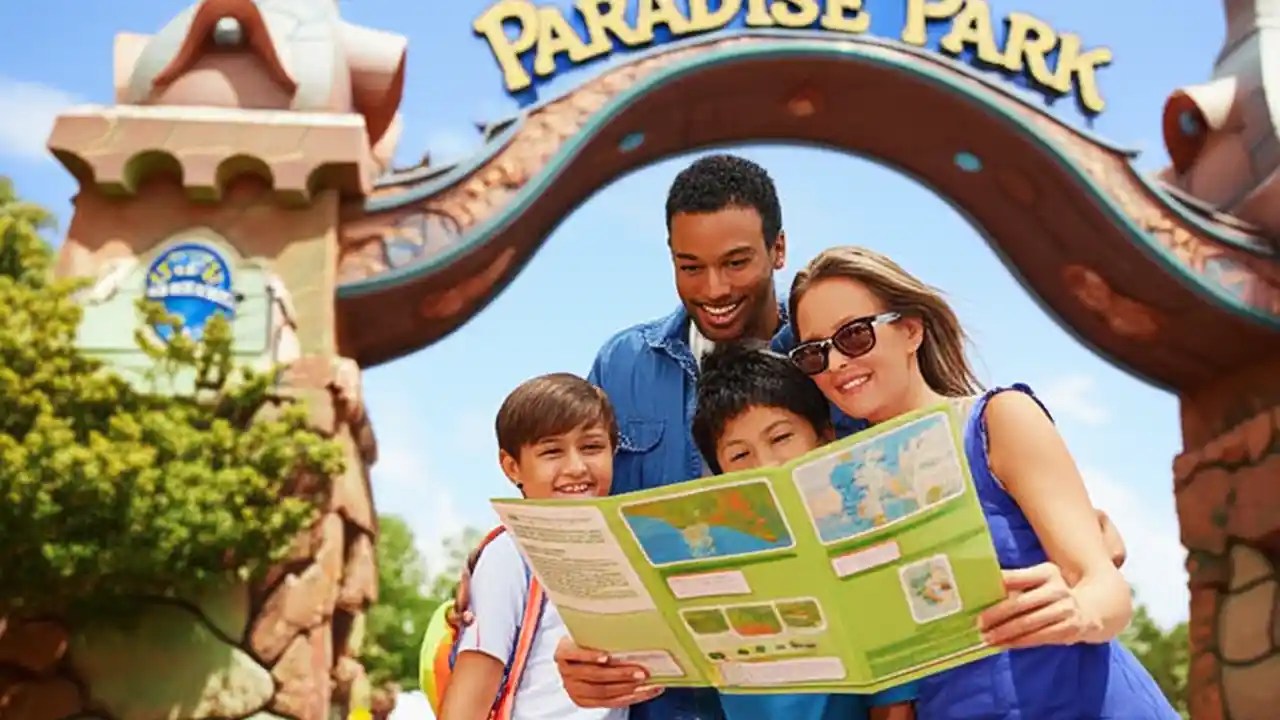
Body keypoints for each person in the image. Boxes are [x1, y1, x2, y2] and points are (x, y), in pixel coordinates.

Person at [444, 155, 1127, 719]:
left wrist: (1078, 535)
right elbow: (575, 506)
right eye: (690, 266)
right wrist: (502, 559)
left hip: (831, 693)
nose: (714, 288)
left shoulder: (831, 363)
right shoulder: (622, 364)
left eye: (737, 262)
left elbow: (926, 471)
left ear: (778, 248)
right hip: (663, 698)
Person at [784, 246, 1177, 719]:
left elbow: (1106, 588)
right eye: (814, 352)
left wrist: (1078, 610)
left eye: (853, 335)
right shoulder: (833, 493)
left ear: (911, 330)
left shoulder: (999, 420)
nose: (835, 363)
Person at [690, 341, 916, 720]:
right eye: (740, 455)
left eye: (780, 438)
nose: (767, 465)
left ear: (825, 437)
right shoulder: (714, 567)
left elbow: (895, 704)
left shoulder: (864, 546)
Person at [437, 373, 627, 720]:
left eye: (592, 447)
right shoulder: (510, 556)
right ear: (512, 467)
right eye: (552, 451)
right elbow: (468, 701)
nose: (576, 467)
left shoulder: (618, 554)